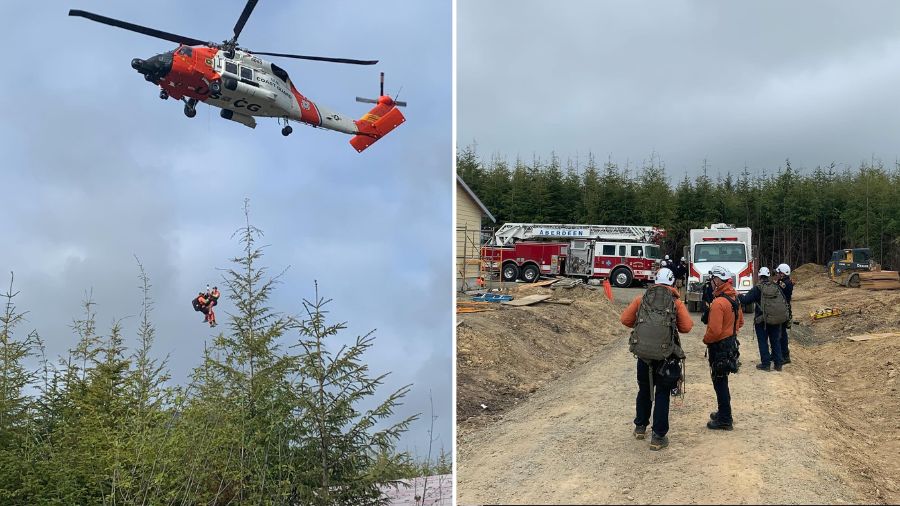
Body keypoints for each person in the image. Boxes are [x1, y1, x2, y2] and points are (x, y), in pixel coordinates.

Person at [620, 267, 693, 451]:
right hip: (665, 356)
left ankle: (640, 427)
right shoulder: (676, 303)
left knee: (644, 389)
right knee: (662, 393)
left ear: (655, 281)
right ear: (672, 282)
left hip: (643, 355)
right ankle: (658, 437)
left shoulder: (641, 299)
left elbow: (625, 320)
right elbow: (687, 327)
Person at [703, 265, 744, 430]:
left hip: (719, 346)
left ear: (718, 280)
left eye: (713, 279)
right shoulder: (734, 298)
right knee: (722, 381)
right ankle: (723, 412)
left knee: (719, 382)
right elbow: (740, 322)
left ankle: (725, 418)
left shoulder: (718, 302)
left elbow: (714, 331)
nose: (711, 282)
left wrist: (706, 340)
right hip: (730, 344)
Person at [738, 267, 785, 371]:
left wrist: (739, 295)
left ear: (759, 276)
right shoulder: (776, 286)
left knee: (763, 342)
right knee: (775, 341)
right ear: (768, 276)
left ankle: (766, 364)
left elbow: (746, 300)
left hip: (761, 320)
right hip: (775, 319)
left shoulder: (757, 288)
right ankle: (778, 364)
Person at [774, 263, 794, 364]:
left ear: (782, 274)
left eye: (778, 273)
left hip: (783, 310)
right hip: (783, 310)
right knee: (780, 333)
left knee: (781, 334)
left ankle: (785, 356)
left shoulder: (784, 284)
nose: (777, 274)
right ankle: (779, 354)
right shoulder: (784, 282)